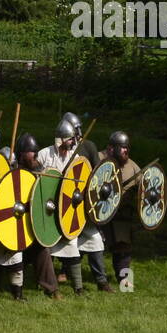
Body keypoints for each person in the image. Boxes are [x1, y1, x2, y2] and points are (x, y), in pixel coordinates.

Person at [0, 133, 60, 300]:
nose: (35, 155)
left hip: (31, 227)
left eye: (36, 151)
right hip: (12, 226)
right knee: (5, 246)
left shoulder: (38, 173)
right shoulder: (10, 174)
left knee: (42, 250)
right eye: (31, 151)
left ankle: (52, 289)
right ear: (21, 154)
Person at [39, 118, 109, 293]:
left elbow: (85, 179)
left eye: (73, 139)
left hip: (71, 208)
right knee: (46, 246)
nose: (72, 142)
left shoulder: (76, 158)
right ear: (61, 139)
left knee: (74, 243)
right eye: (69, 139)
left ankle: (80, 287)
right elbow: (37, 184)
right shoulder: (44, 155)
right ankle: (49, 285)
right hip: (47, 209)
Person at [99, 130, 140, 291]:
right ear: (111, 148)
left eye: (127, 147)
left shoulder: (132, 166)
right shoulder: (99, 159)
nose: (126, 151)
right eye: (122, 147)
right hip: (98, 212)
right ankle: (65, 272)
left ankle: (124, 280)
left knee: (124, 248)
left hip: (121, 214)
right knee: (86, 245)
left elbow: (143, 188)